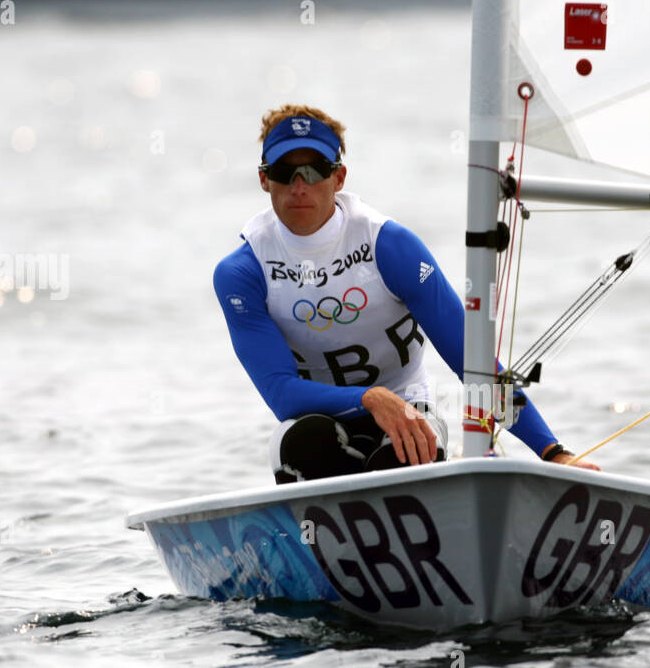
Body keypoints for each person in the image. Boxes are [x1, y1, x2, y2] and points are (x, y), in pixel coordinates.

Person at [213, 104, 600, 484]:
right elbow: (281, 393)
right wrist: (370, 398)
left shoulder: (389, 246)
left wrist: (552, 452)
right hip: (314, 423)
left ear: (339, 177)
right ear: (265, 179)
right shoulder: (242, 273)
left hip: (410, 411)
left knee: (407, 447)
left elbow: (472, 362)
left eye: (314, 170)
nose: (300, 186)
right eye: (285, 172)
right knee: (302, 442)